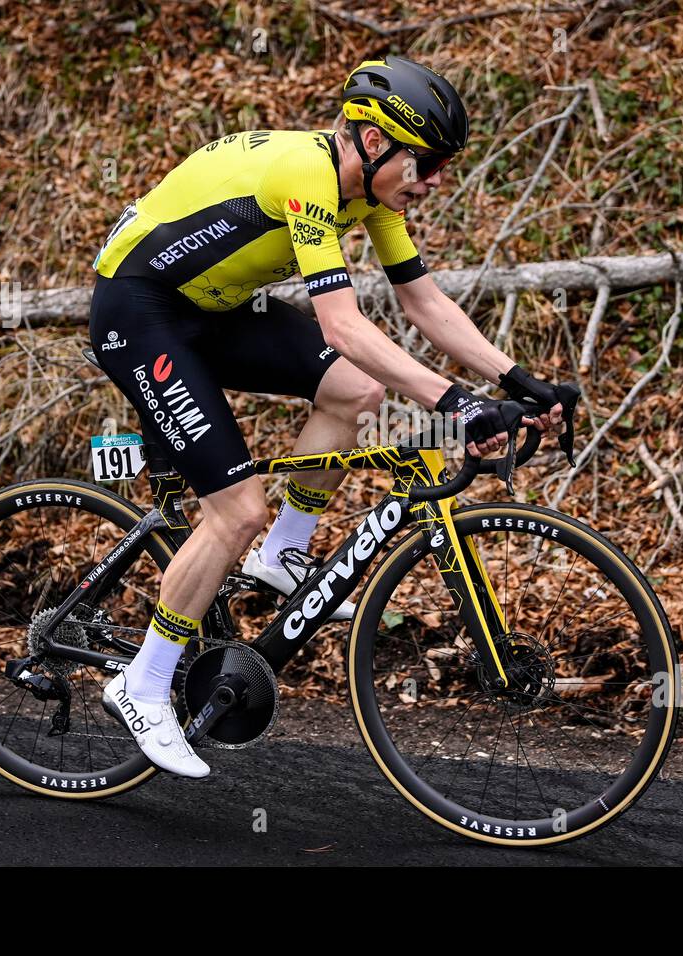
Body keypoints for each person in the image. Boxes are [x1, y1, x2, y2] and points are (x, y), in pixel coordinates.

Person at [89, 55, 565, 778]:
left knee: (355, 394)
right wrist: (453, 401)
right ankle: (143, 682)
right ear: (373, 142)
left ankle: (282, 552)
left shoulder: (370, 195)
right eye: (427, 162)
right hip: (140, 308)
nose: (433, 180)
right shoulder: (307, 178)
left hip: (212, 309)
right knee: (234, 508)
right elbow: (342, 327)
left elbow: (424, 303)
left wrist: (517, 380)